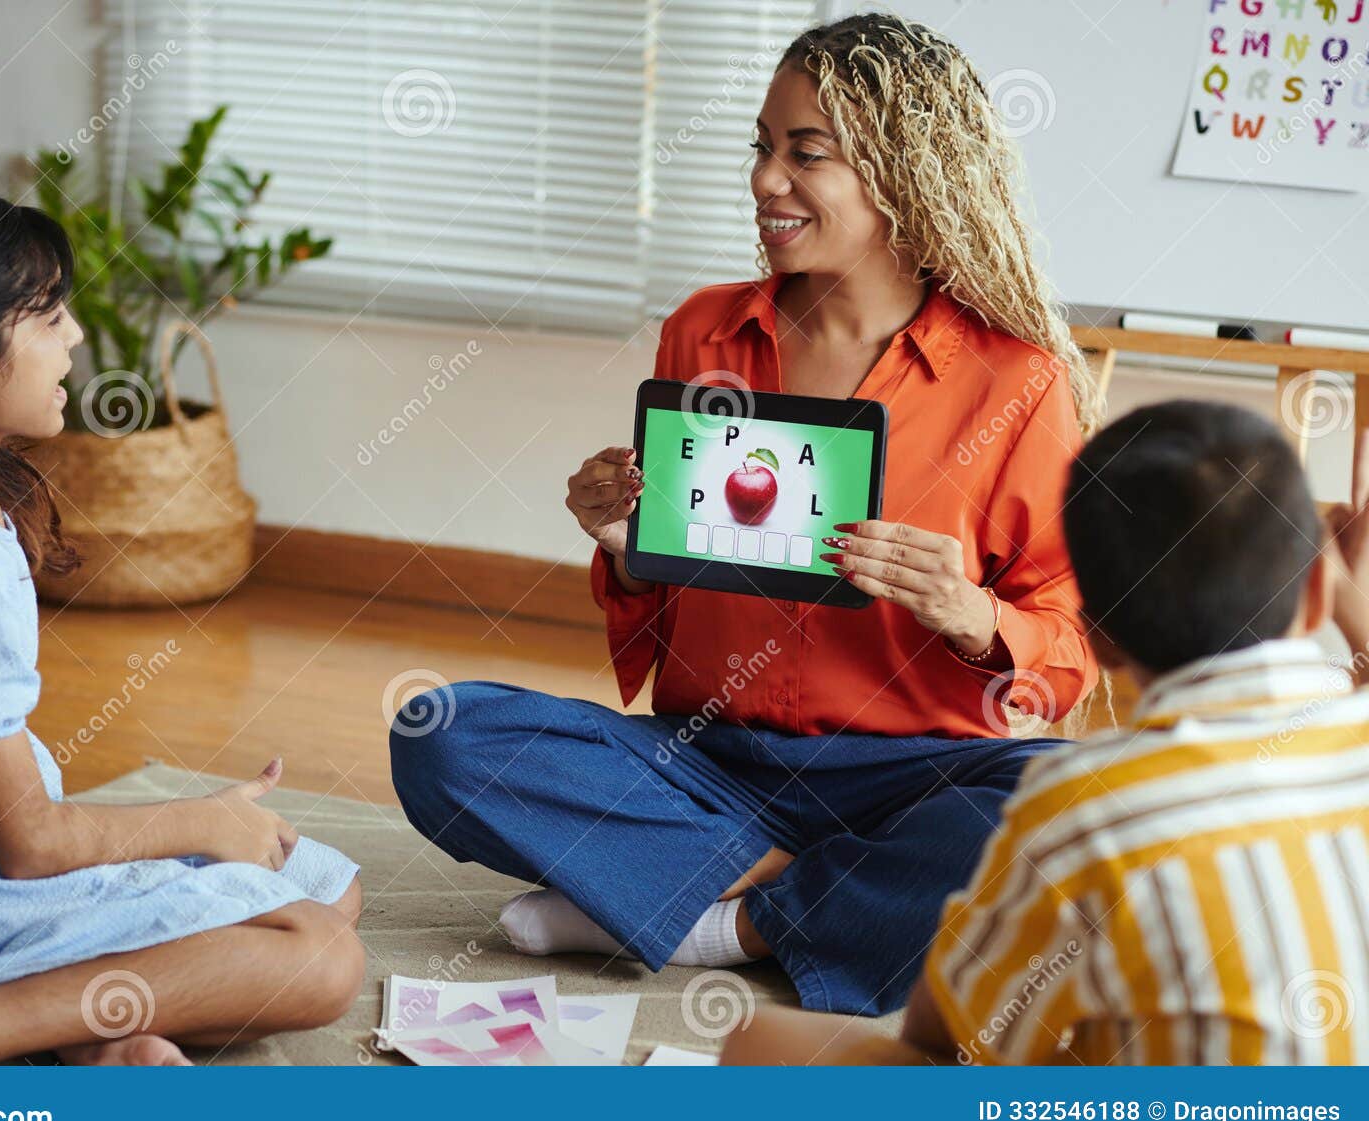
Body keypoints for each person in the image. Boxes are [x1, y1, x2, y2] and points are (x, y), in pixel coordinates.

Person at [390, 13, 1103, 1015]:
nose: (766, 178)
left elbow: (1071, 636)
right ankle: (802, 887)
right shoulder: (704, 330)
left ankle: (715, 916)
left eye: (805, 153)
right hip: (712, 759)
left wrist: (973, 615)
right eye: (762, 146)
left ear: (905, 174)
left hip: (922, 772)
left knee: (1067, 811)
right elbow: (674, 586)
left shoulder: (1016, 379)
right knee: (442, 733)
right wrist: (628, 549)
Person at [0, 180, 364, 1066]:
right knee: (322, 956)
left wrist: (206, 832)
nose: (76, 337)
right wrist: (199, 822)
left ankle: (87, 1041)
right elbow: (29, 844)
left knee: (326, 884)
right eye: (49, 317)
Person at [723, 401, 1369, 1065]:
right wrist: (1350, 602)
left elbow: (941, 1040)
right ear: (1319, 591)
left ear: (1096, 638)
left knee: (758, 1040)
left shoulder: (1080, 800)